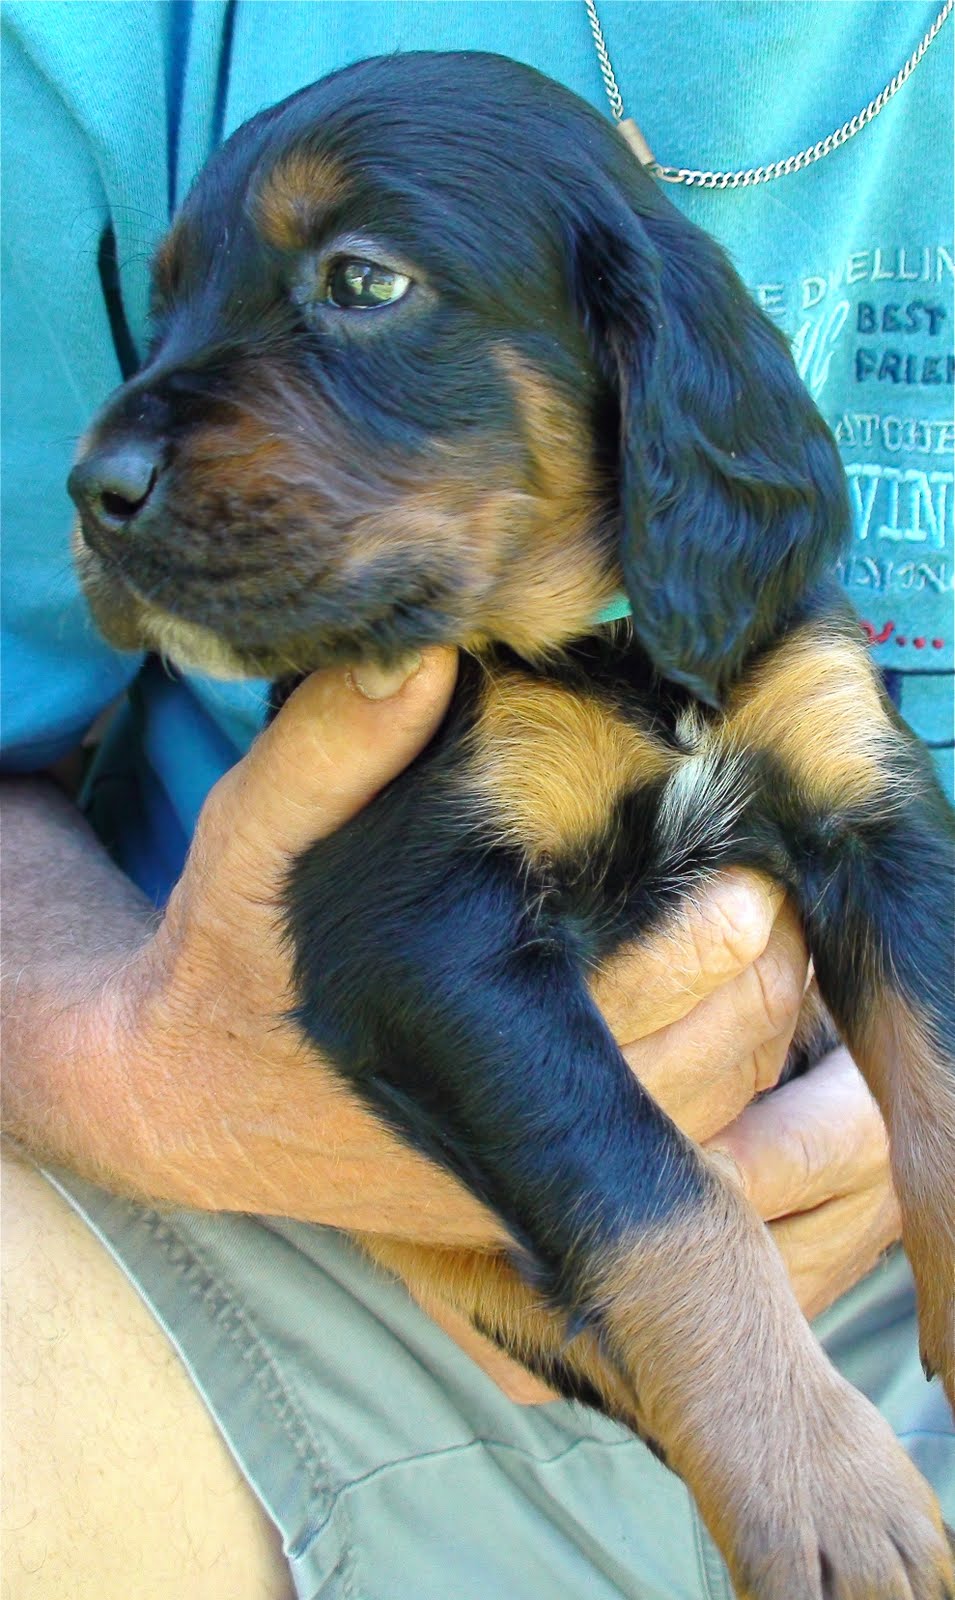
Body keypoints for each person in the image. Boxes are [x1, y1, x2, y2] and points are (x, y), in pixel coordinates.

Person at [1, 4, 952, 1597]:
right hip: (311, 1258)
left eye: (360, 288)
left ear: (632, 349)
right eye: (178, 332)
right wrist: (129, 1070)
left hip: (857, 1280)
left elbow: (899, 882)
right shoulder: (436, 692)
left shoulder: (773, 645)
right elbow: (418, 963)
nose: (131, 446)